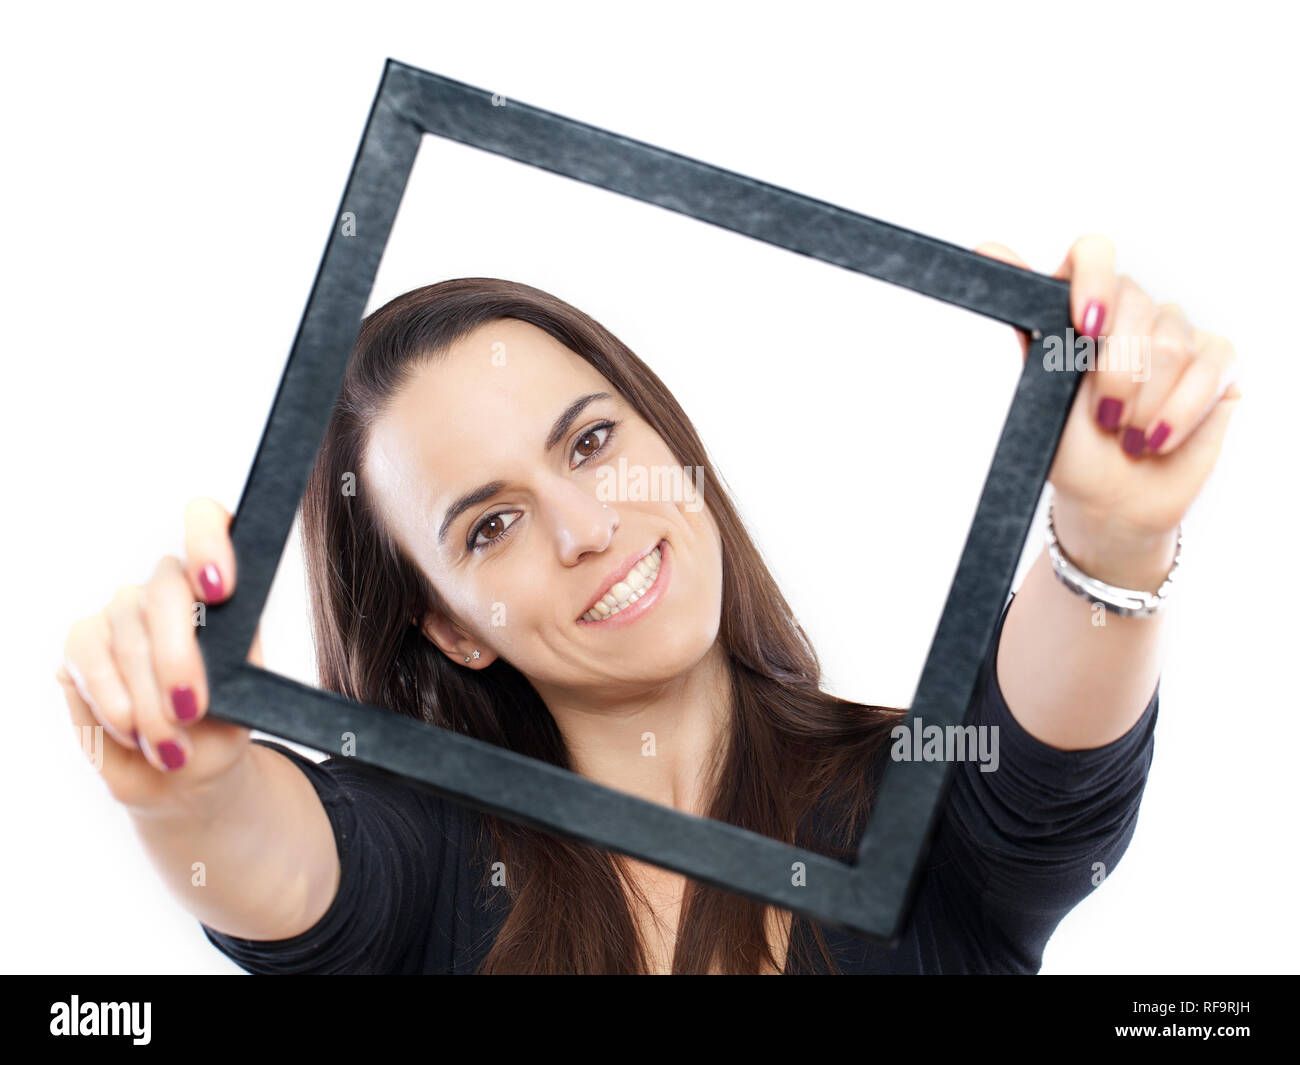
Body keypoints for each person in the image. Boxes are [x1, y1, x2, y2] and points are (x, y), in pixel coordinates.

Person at [56, 236, 1243, 974]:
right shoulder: (428, 862)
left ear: (670, 448)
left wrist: (1114, 532)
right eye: (491, 525)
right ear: (451, 624)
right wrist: (194, 784)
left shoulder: (913, 800)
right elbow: (276, 863)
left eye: (590, 444)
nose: (586, 528)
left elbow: (1048, 767)